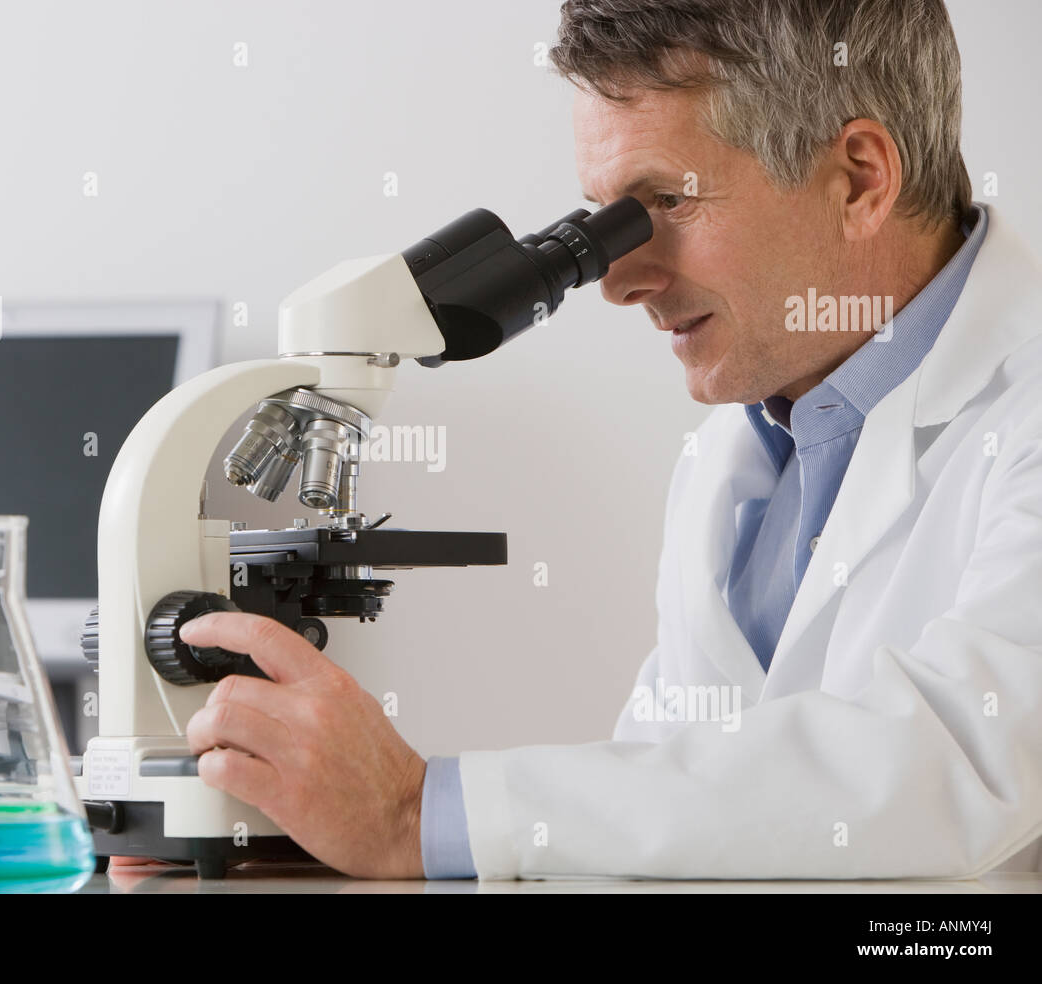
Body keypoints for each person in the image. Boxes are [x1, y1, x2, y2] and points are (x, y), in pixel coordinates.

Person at [116, 0, 1042, 880]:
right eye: (602, 222)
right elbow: (667, 808)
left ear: (859, 179)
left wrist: (418, 812)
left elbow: (962, 756)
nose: (619, 279)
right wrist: (304, 823)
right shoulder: (745, 452)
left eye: (663, 205)